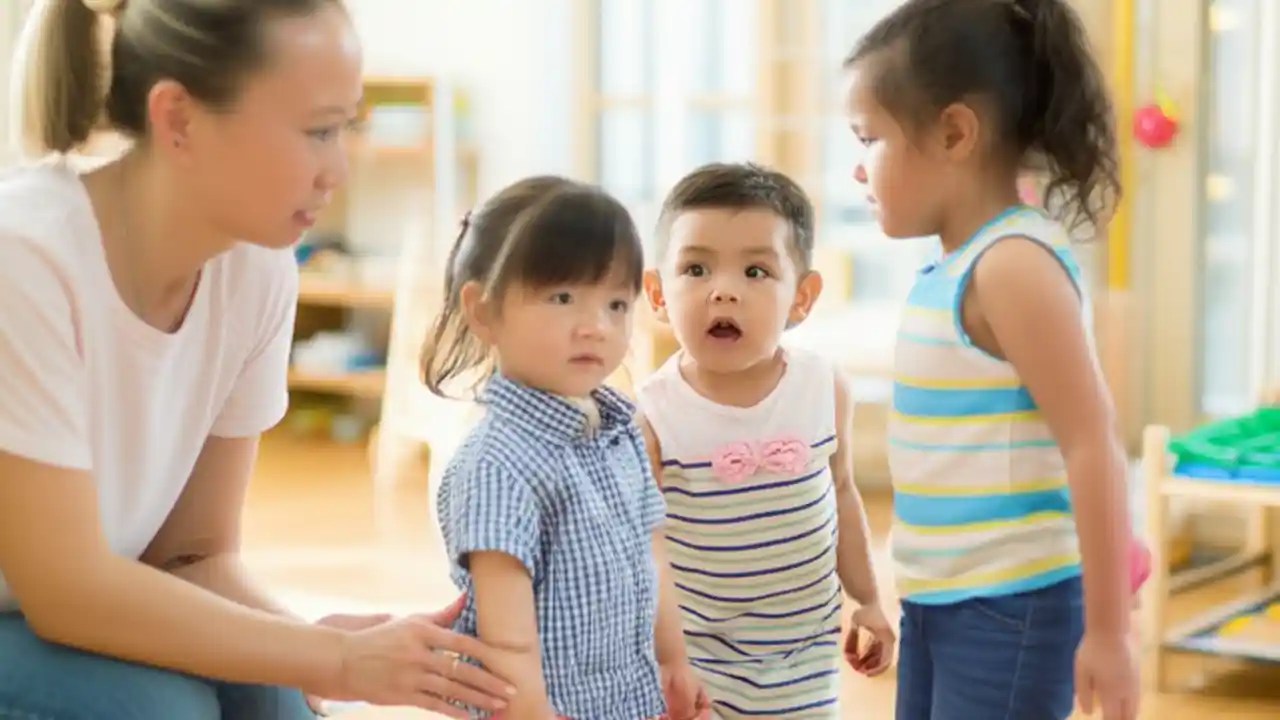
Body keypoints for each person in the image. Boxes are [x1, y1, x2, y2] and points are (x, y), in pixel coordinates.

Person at [0, 1, 514, 718]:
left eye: (347, 128)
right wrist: (333, 659)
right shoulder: (25, 257)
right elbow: (65, 589)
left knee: (277, 698)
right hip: (36, 608)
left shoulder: (258, 269)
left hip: (63, 602)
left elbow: (192, 556)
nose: (338, 169)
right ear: (177, 118)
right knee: (162, 710)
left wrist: (307, 651)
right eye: (317, 132)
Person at [841, 0, 1139, 719]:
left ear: (953, 132)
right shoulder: (952, 267)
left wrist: (1109, 633)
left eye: (869, 139)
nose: (857, 170)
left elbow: (1091, 441)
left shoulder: (1010, 266)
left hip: (1011, 607)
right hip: (945, 602)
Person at [422, 176, 709, 720]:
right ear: (483, 312)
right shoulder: (498, 464)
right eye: (562, 298)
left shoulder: (620, 432)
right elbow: (507, 642)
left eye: (617, 305)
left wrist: (672, 659)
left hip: (629, 701)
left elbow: (653, 553)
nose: (595, 327)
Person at [636, 162, 896, 719]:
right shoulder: (653, 415)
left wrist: (870, 600)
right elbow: (645, 550)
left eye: (755, 272)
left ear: (802, 298)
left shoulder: (823, 386)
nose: (724, 291)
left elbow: (843, 494)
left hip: (805, 653)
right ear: (657, 294)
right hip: (699, 657)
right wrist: (664, 656)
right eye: (696, 268)